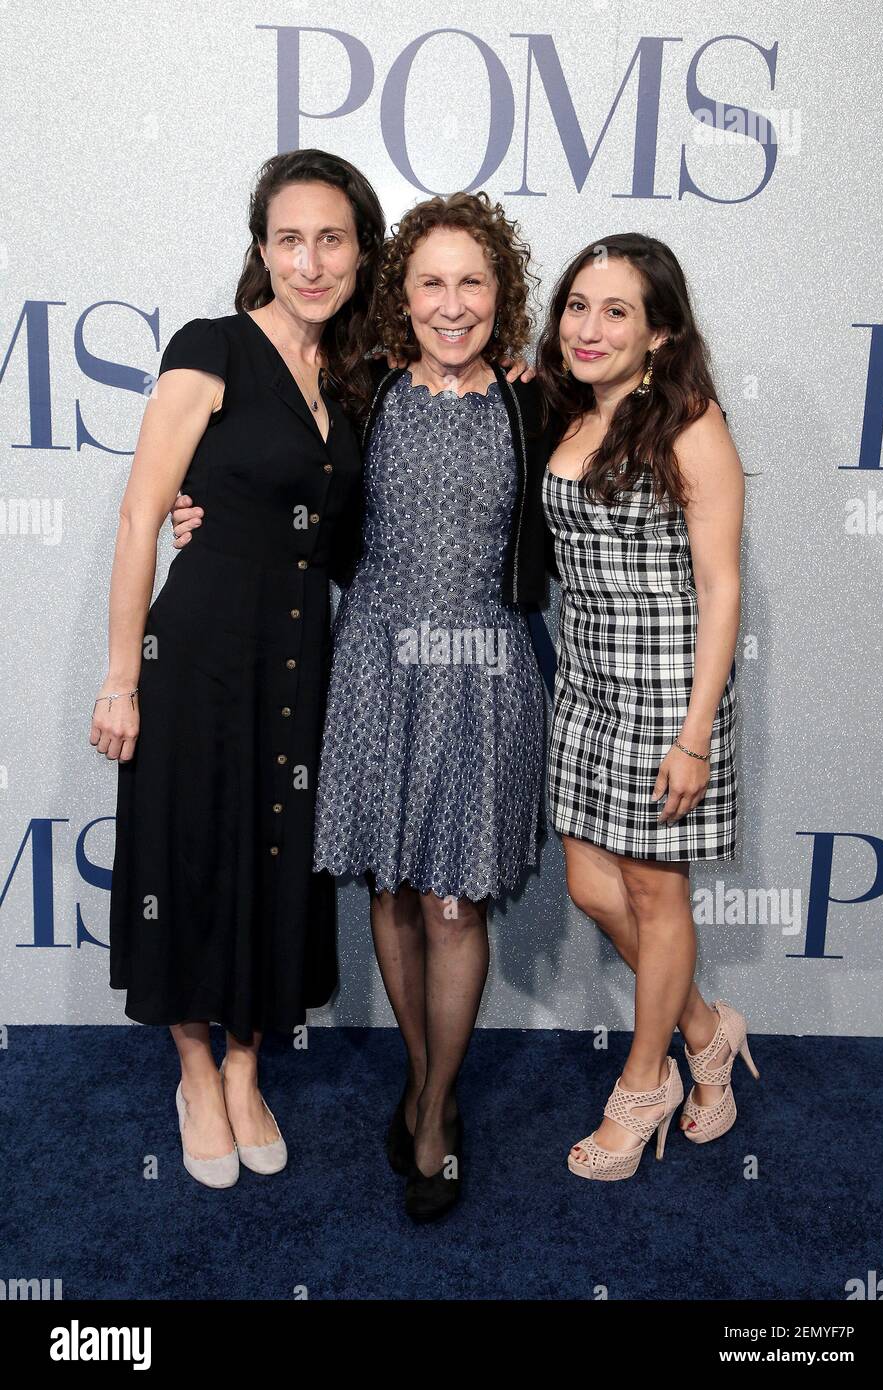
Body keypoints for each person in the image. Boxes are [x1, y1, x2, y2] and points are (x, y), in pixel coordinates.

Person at [173, 192, 551, 1222]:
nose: (451, 302)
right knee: (389, 888)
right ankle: (420, 1080)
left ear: (501, 292)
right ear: (400, 294)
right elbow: (269, 469)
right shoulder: (360, 392)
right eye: (429, 280)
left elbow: (631, 440)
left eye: (472, 280)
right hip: (377, 661)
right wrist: (186, 500)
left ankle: (432, 1108)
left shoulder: (535, 398)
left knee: (451, 901)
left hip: (481, 669)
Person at [91, 149, 385, 1188]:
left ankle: (250, 1062)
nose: (310, 260)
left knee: (280, 856)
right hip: (202, 646)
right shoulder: (211, 346)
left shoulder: (349, 378)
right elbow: (140, 513)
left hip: (304, 659)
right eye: (289, 238)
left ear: (360, 252)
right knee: (190, 849)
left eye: (332, 238)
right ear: (263, 249)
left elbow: (345, 534)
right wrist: (122, 676)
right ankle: (194, 1069)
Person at [536, 233, 758, 1181]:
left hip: (669, 688)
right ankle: (706, 1030)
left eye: (616, 310)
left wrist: (696, 735)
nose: (589, 327)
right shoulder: (566, 410)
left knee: (657, 897)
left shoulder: (689, 422)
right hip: (583, 683)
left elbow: (722, 587)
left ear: (659, 331)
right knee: (593, 888)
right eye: (577, 305)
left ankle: (643, 1085)